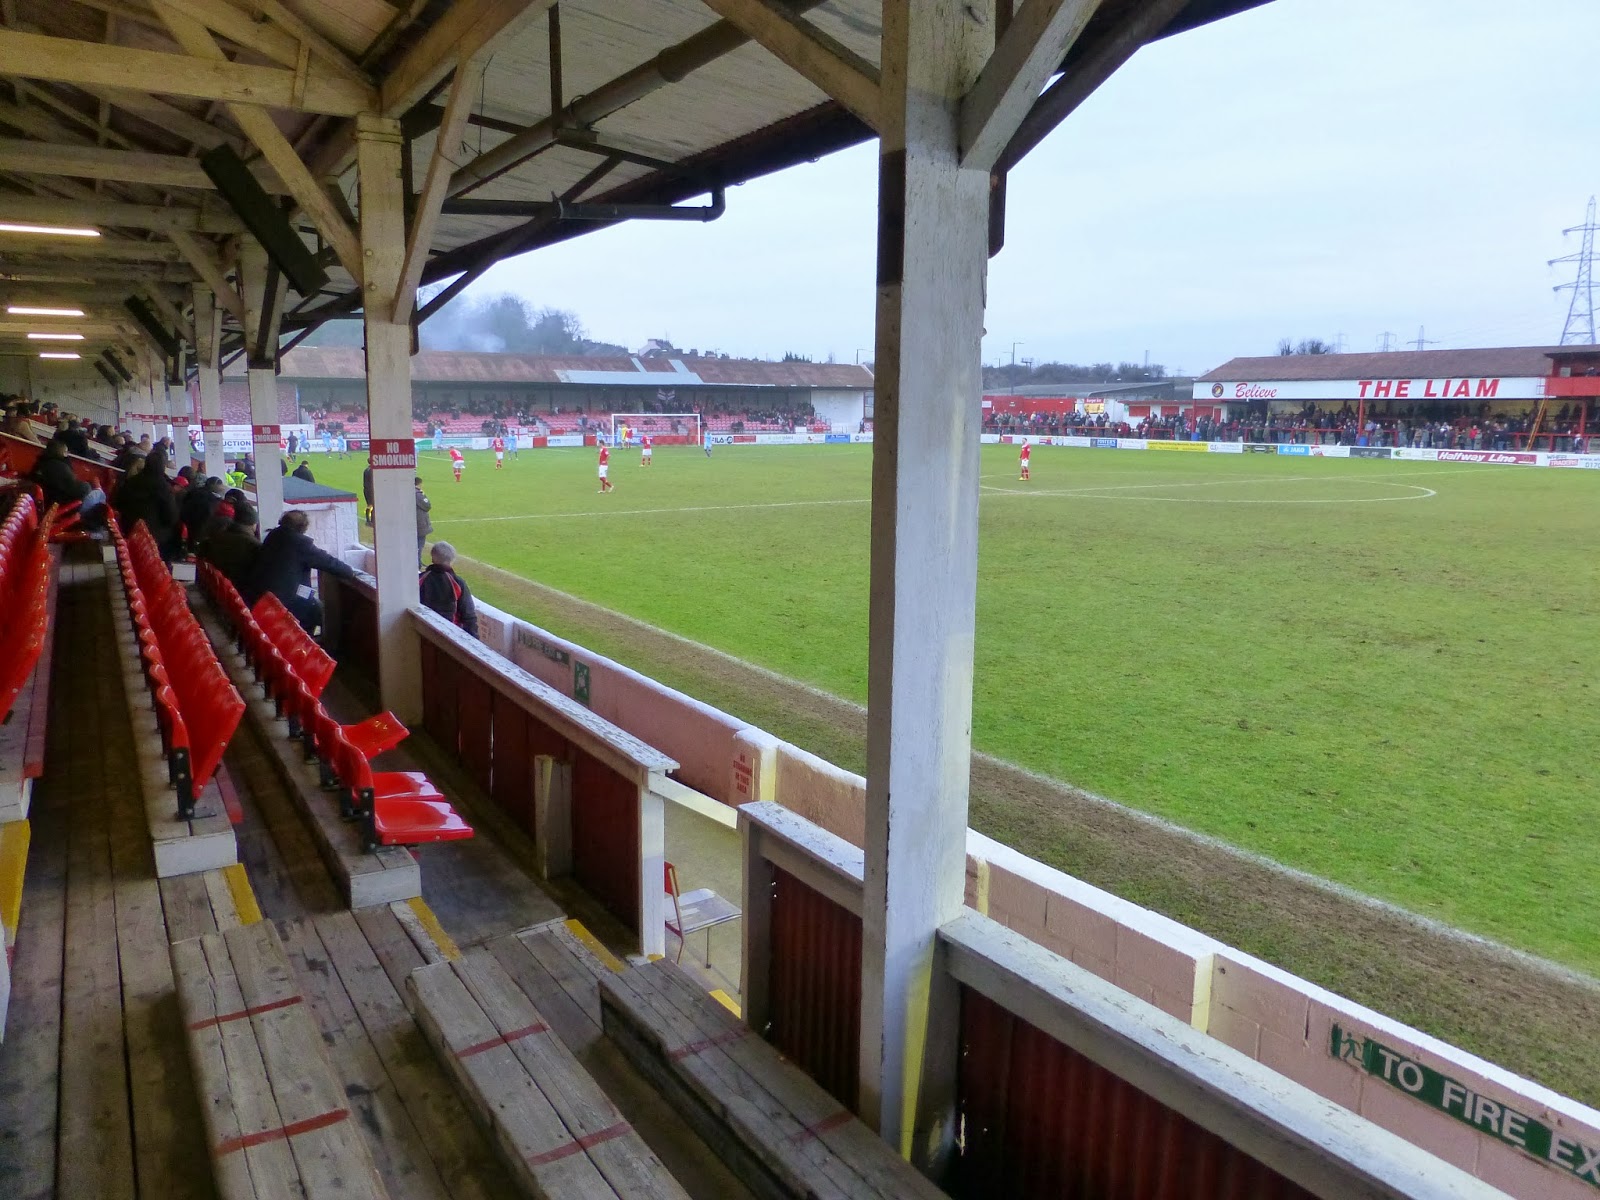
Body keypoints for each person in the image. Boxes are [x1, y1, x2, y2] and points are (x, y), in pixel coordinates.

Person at [245, 510, 356, 634]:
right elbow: (329, 562)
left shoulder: (273, 536)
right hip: (283, 603)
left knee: (315, 608)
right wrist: (349, 572)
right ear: (303, 527)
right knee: (320, 612)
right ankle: (307, 646)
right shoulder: (299, 543)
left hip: (262, 599)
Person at [114, 445, 180, 558]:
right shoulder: (164, 487)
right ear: (163, 467)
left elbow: (118, 503)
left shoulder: (131, 481)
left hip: (129, 528)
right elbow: (170, 517)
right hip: (154, 537)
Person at [28, 439, 102, 522]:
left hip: (49, 501)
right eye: (66, 451)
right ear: (61, 452)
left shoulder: (42, 463)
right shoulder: (59, 467)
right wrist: (87, 486)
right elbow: (75, 489)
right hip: (58, 504)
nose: (68, 454)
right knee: (99, 495)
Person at [419, 542, 479, 638]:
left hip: (424, 632)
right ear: (452, 560)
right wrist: (475, 641)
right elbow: (469, 615)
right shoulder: (458, 583)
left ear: (432, 558)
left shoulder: (420, 579)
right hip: (451, 635)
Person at [196, 500, 260, 589]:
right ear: (253, 524)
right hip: (234, 589)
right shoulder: (254, 546)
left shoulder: (217, 536)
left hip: (214, 586)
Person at [180, 476, 224, 551]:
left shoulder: (194, 491)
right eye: (220, 485)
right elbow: (209, 513)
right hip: (201, 524)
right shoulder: (212, 499)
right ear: (213, 485)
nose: (222, 488)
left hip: (186, 520)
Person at [414, 476, 432, 568]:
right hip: (420, 524)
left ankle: (418, 562)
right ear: (419, 484)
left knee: (416, 545)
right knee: (419, 545)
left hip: (413, 523)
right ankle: (417, 564)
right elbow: (427, 505)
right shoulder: (418, 494)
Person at [362, 457, 374, 526]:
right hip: (370, 490)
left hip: (366, 490)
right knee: (372, 505)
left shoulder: (366, 470)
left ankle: (368, 520)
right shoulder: (371, 471)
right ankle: (371, 521)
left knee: (369, 505)